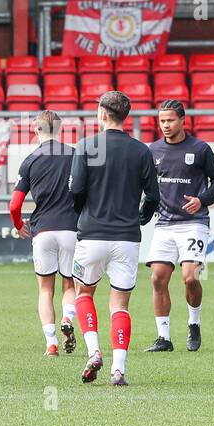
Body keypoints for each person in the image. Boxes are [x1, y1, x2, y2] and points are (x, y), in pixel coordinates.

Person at [68, 90, 159, 386]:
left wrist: (84, 215)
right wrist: (141, 218)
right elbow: (153, 197)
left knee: (84, 293)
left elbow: (76, 191)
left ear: (103, 114)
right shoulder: (141, 151)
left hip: (92, 234)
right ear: (126, 116)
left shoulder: (86, 146)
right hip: (127, 238)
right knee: (120, 305)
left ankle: (94, 351)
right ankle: (118, 370)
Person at [143, 100, 214, 353]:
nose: (165, 125)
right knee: (157, 278)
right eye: (162, 121)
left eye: (170, 120)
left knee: (190, 278)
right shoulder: (152, 150)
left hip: (194, 223)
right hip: (164, 224)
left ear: (182, 120)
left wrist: (202, 200)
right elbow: (148, 188)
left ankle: (194, 323)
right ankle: (164, 338)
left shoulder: (200, 149)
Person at [10, 110, 79, 356]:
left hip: (43, 230)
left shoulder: (30, 160)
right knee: (70, 284)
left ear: (36, 130)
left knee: (45, 289)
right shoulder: (75, 155)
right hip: (72, 228)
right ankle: (68, 319)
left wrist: (19, 225)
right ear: (60, 130)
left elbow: (15, 204)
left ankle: (51, 343)